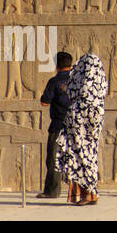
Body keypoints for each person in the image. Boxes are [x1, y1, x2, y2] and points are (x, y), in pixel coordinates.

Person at [56, 52, 108, 205]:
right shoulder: (101, 81)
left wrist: (68, 88)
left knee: (80, 157)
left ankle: (86, 194)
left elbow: (78, 92)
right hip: (95, 119)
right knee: (90, 156)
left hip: (80, 122)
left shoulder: (83, 83)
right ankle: (92, 193)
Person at [36, 51, 73, 198]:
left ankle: (52, 190)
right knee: (74, 158)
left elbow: (45, 101)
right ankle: (75, 191)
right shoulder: (78, 80)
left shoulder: (55, 82)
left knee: (54, 158)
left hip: (58, 124)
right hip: (75, 125)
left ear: (56, 65)